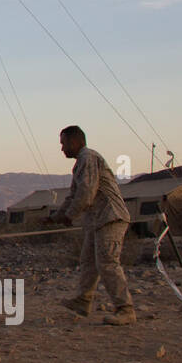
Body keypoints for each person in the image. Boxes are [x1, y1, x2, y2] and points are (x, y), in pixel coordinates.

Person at [47, 126, 135, 325]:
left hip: (110, 218)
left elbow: (86, 193)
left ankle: (125, 309)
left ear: (75, 141)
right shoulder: (80, 164)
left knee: (107, 263)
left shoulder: (88, 158)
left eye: (63, 143)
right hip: (97, 221)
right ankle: (83, 301)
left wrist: (69, 216)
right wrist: (56, 217)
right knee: (88, 261)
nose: (62, 148)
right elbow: (73, 196)